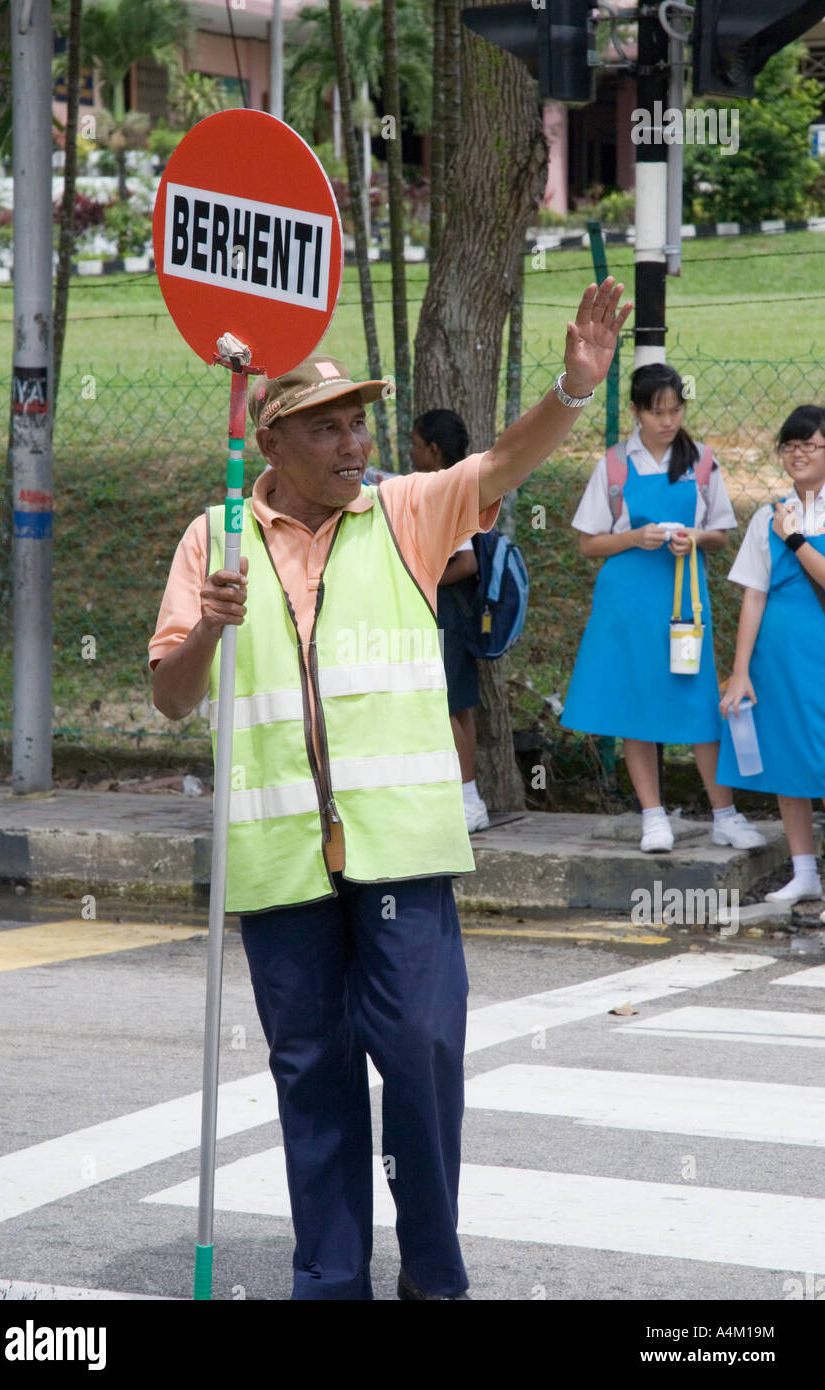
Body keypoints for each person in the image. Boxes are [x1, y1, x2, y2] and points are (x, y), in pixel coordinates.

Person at [149, 277, 632, 1301]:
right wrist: (209, 627)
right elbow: (171, 699)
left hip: (400, 852)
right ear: (272, 442)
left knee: (418, 1051)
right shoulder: (216, 535)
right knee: (312, 1077)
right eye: (329, 428)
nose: (357, 443)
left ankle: (433, 1275)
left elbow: (501, 461)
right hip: (283, 864)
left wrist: (574, 389)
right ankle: (330, 1279)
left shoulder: (407, 514)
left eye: (361, 421)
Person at [560, 362, 766, 855]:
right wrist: (634, 537)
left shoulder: (702, 462)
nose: (668, 421)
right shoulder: (613, 465)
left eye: (676, 410)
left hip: (683, 598)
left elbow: (719, 535)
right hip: (627, 604)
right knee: (636, 703)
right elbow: (588, 545)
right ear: (636, 412)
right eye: (657, 412)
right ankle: (653, 817)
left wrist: (690, 536)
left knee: (696, 699)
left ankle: (724, 815)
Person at [718, 404, 825, 915]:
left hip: (818, 660)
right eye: (790, 445)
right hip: (776, 664)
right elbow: (754, 595)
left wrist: (795, 538)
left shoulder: (786, 524)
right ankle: (804, 872)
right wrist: (740, 672)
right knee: (787, 760)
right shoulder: (767, 515)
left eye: (810, 444)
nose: (798, 453)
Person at [411, 408, 489, 833]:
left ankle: (468, 799)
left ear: (434, 450)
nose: (410, 451)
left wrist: (420, 579)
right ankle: (464, 796)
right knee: (458, 707)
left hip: (448, 616)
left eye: (415, 443)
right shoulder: (455, 486)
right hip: (453, 614)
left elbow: (466, 561)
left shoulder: (447, 491)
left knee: (448, 707)